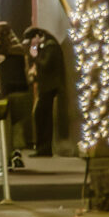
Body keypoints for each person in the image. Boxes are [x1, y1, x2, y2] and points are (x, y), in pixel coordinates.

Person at [0, 23, 32, 171]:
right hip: (22, 91)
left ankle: (6, 159)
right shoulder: (20, 50)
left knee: (4, 127)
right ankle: (17, 154)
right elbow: (26, 70)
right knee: (17, 124)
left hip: (3, 93)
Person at [26, 25, 69, 158]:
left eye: (31, 41)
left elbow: (45, 64)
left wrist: (36, 56)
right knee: (42, 116)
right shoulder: (47, 45)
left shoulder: (50, 46)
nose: (31, 44)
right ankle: (43, 148)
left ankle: (44, 148)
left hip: (49, 88)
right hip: (46, 87)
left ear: (37, 36)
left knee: (42, 116)